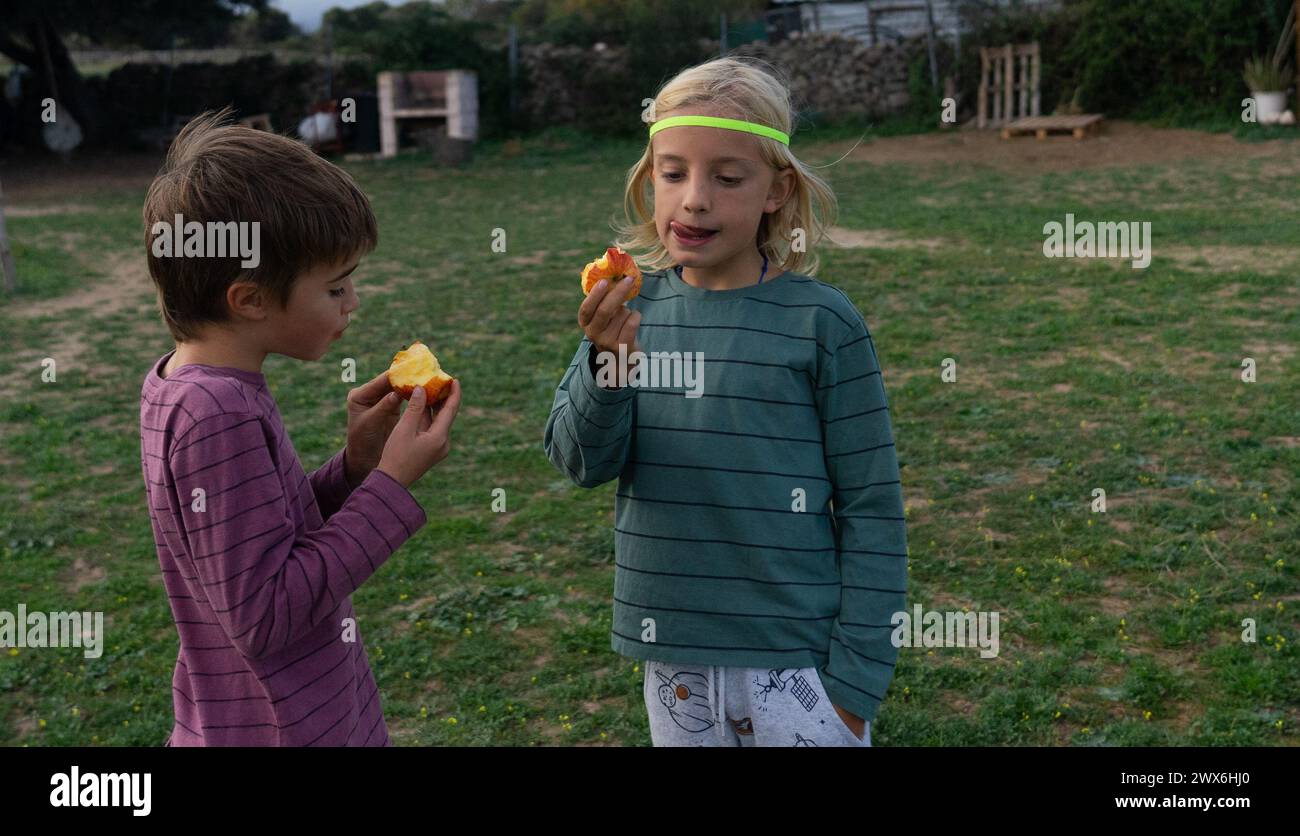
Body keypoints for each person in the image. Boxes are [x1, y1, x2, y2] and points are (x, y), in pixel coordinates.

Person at [543, 57, 907, 746]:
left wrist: (854, 688)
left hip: (798, 666)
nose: (695, 199)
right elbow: (579, 461)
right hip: (674, 661)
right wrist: (608, 365)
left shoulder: (822, 322)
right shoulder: (629, 308)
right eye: (673, 173)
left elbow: (872, 508)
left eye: (727, 177)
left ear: (777, 189)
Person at [139, 110, 461, 745]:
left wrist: (354, 470)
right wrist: (392, 485)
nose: (353, 303)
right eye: (336, 286)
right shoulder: (217, 413)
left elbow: (256, 541)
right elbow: (265, 615)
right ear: (251, 298)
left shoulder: (188, 386)